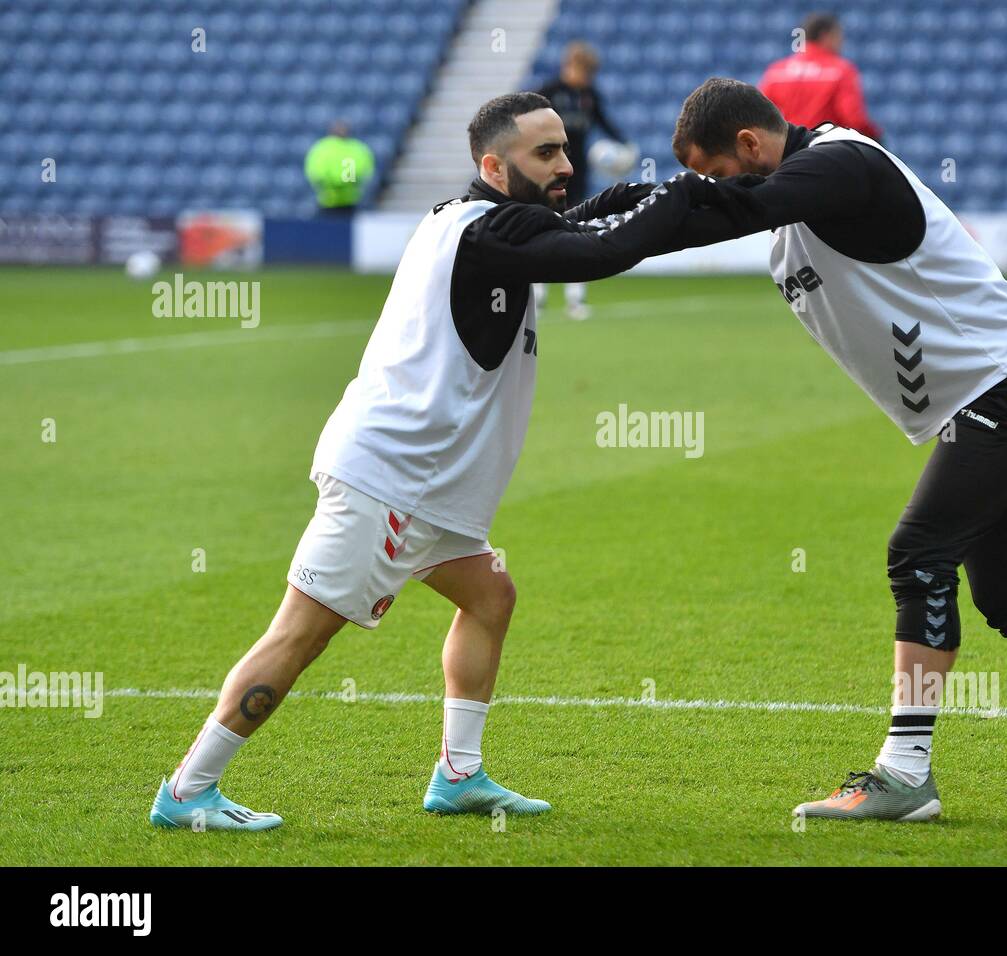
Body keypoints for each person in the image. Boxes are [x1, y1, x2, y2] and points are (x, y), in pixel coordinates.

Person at [497, 78, 1007, 822]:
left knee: (918, 556)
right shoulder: (789, 194)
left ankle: (905, 773)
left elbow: (722, 209)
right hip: (999, 386)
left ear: (750, 144)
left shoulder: (841, 164)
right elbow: (685, 214)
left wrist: (610, 226)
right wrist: (559, 224)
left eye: (718, 171)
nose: (714, 188)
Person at [148, 92, 734, 830]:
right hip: (391, 477)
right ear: (494, 166)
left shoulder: (470, 218)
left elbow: (581, 221)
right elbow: (603, 251)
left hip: (425, 481)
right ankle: (189, 790)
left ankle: (458, 774)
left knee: (490, 597)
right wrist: (685, 191)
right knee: (300, 634)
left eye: (563, 147)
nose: (565, 163)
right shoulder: (494, 231)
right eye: (545, 153)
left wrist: (643, 193)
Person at [534, 41, 633, 319]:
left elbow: (604, 122)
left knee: (575, 231)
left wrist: (625, 144)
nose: (586, 78)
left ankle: (575, 299)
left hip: (576, 175)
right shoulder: (548, 93)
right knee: (540, 230)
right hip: (547, 173)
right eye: (583, 71)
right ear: (570, 66)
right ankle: (537, 299)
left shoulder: (589, 95)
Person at [758, 12, 884, 142]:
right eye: (839, 36)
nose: (841, 42)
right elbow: (853, 118)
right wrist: (875, 137)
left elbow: (760, 114)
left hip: (790, 149)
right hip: (828, 148)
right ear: (826, 36)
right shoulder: (841, 70)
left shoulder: (777, 71)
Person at [304, 121, 376, 217]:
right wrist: (338, 182)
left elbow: (364, 170)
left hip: (349, 201)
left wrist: (343, 182)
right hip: (329, 201)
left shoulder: (355, 148)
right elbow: (316, 172)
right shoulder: (323, 148)